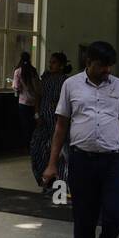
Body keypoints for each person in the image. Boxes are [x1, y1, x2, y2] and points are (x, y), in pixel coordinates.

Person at [42, 40, 119, 238]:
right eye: (102, 65)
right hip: (81, 162)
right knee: (84, 222)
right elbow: (61, 126)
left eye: (110, 66)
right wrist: (51, 165)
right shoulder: (70, 85)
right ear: (88, 63)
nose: (107, 70)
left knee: (115, 215)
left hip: (113, 161)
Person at [30, 52, 72, 189]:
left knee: (61, 152)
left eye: (54, 62)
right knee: (39, 149)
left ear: (61, 65)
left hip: (58, 121)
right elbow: (38, 96)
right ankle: (45, 180)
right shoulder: (45, 80)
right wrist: (37, 114)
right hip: (44, 121)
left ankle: (61, 184)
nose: (50, 65)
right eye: (50, 62)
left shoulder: (66, 81)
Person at [12, 52, 41, 147]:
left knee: (25, 126)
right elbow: (38, 86)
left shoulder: (18, 71)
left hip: (23, 102)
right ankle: (34, 145)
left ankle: (26, 146)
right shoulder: (33, 71)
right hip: (35, 103)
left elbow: (16, 87)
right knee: (33, 125)